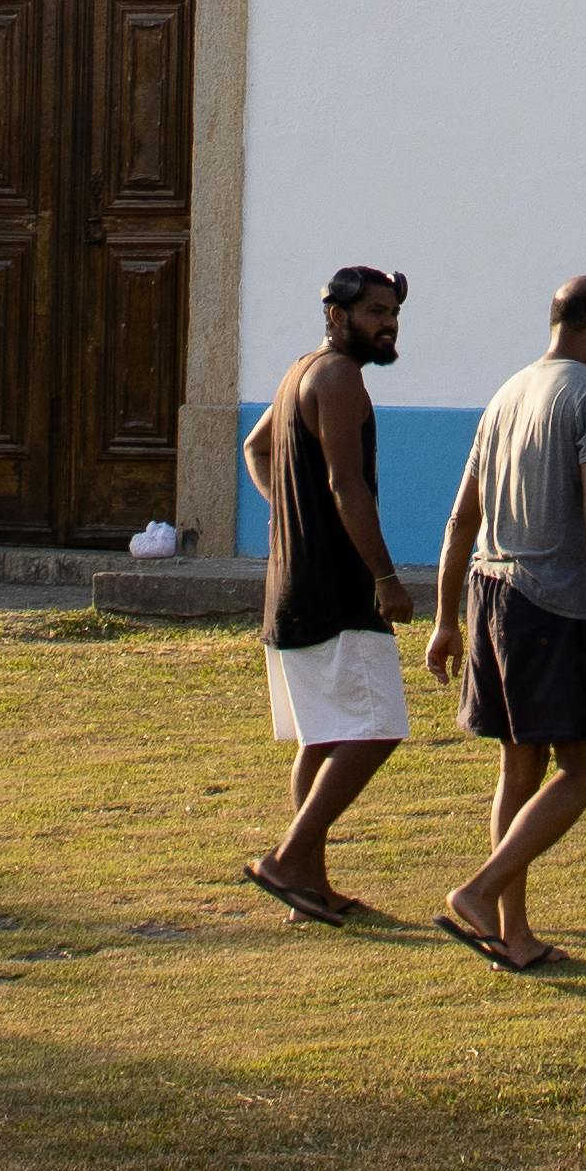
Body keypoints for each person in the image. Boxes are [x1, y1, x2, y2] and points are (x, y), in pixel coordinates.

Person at [423, 272, 586, 973]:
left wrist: (445, 620)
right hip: (552, 604)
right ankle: (481, 889)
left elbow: (463, 517)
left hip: (490, 594)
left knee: (520, 768)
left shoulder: (507, 393)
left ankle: (509, 930)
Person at [241, 262, 418, 922]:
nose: (388, 323)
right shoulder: (339, 377)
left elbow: (256, 450)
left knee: (322, 739)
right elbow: (349, 487)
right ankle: (289, 860)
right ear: (338, 316)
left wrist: (291, 511)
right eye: (375, 312)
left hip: (293, 588)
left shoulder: (300, 373)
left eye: (393, 313)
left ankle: (307, 887)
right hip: (339, 588)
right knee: (376, 729)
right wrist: (385, 578)